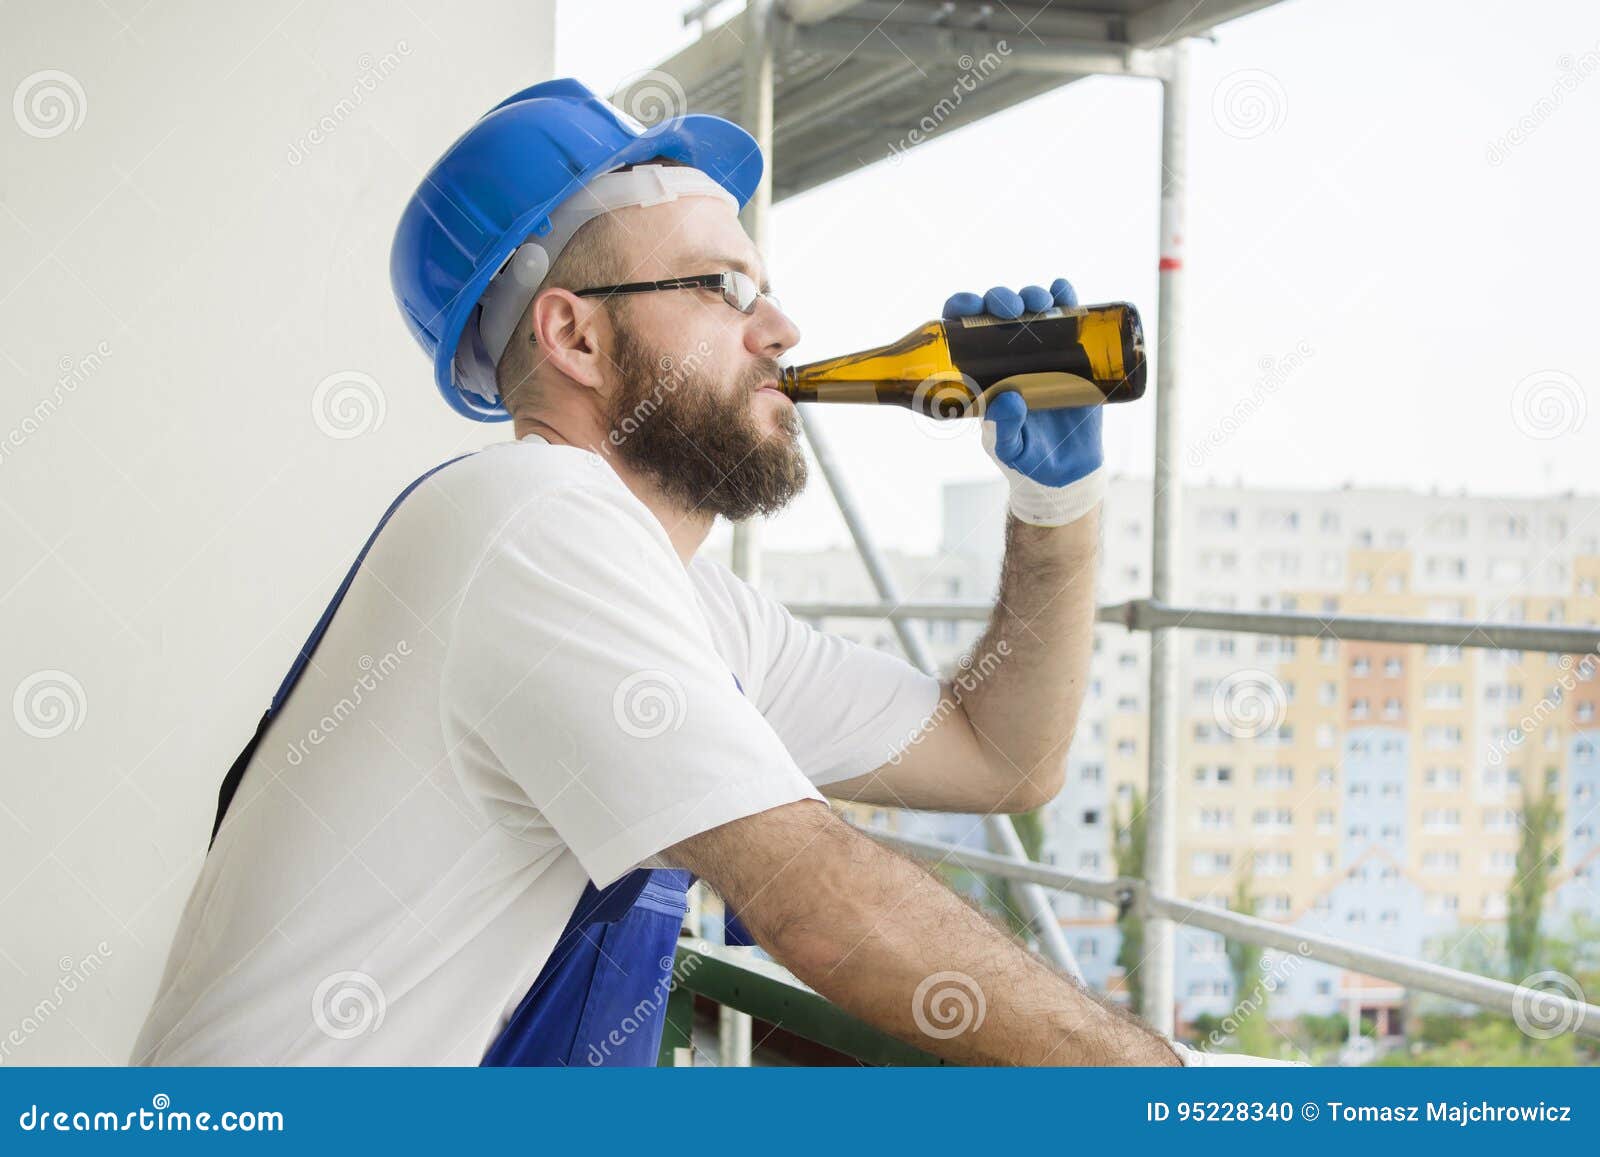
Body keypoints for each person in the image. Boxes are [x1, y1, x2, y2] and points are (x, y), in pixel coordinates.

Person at [130, 78, 1287, 1068]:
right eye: (721, 287)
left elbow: (1002, 755)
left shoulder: (687, 607)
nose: (779, 326)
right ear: (574, 337)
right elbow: (821, 905)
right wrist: (1173, 1079)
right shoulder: (530, 520)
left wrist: (1054, 505)